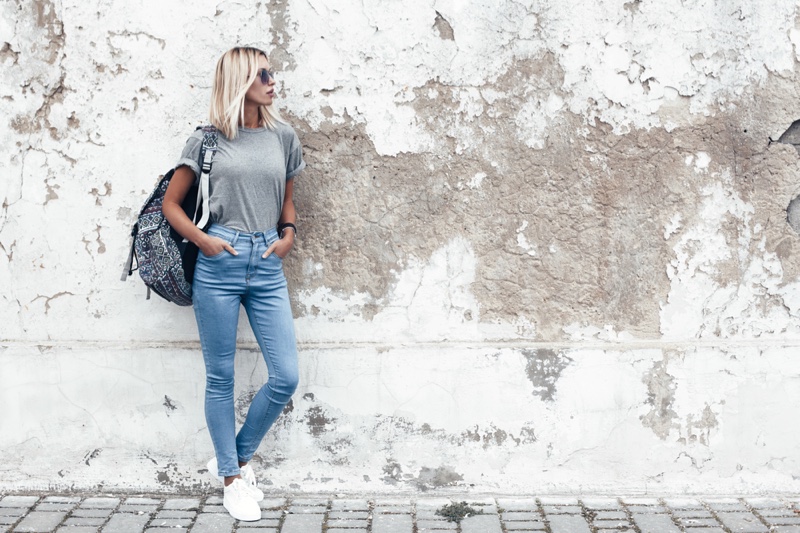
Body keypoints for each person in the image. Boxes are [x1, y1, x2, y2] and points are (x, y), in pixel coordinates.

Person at [162, 46, 304, 521]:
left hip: (267, 262)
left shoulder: (283, 137)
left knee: (285, 375)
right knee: (221, 377)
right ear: (239, 81)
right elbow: (171, 205)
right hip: (219, 260)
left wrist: (289, 235)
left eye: (271, 71)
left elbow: (287, 200)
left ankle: (236, 460)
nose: (271, 79)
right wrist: (204, 241)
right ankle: (231, 482)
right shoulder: (206, 141)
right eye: (261, 73)